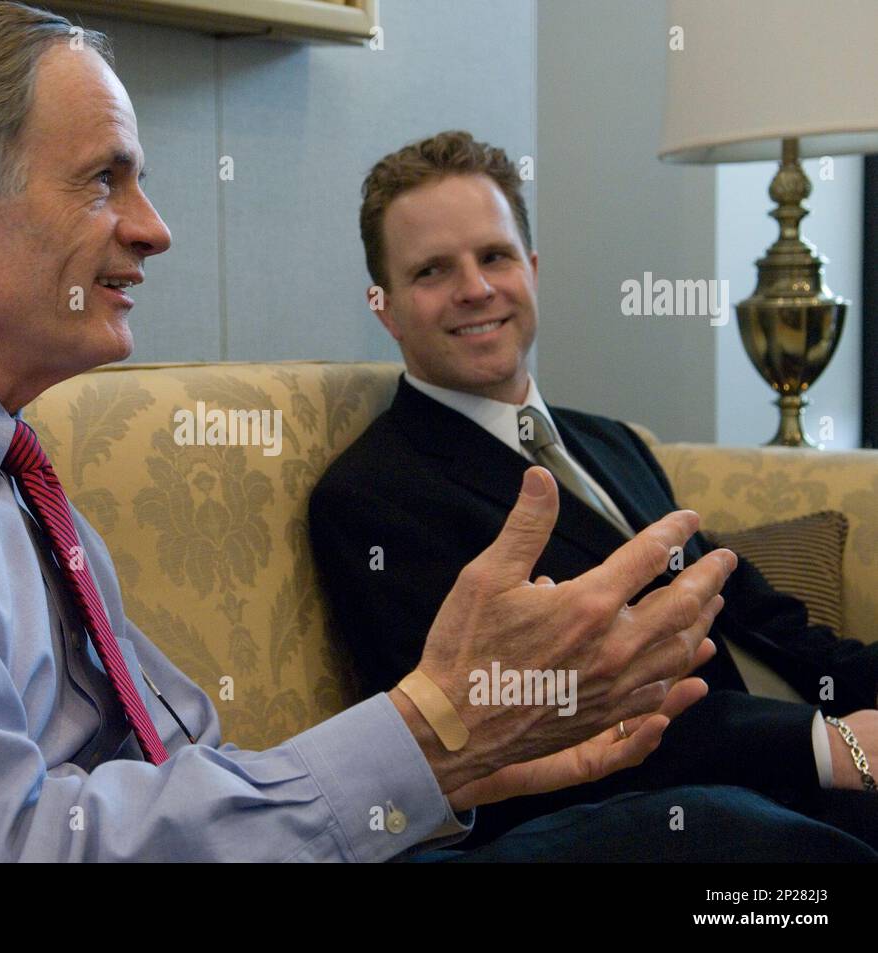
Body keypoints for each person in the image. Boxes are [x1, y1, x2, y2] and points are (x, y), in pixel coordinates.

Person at [0, 4, 869, 863]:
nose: (155, 229)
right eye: (105, 178)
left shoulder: (5, 470)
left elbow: (184, 768)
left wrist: (463, 766)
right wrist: (426, 729)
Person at [308, 129, 878, 849]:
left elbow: (766, 621)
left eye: (494, 256)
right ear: (384, 306)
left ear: (533, 269)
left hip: (789, 773)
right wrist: (825, 743)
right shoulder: (370, 497)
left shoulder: (614, 440)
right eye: (432, 271)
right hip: (655, 816)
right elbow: (506, 730)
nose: (476, 288)